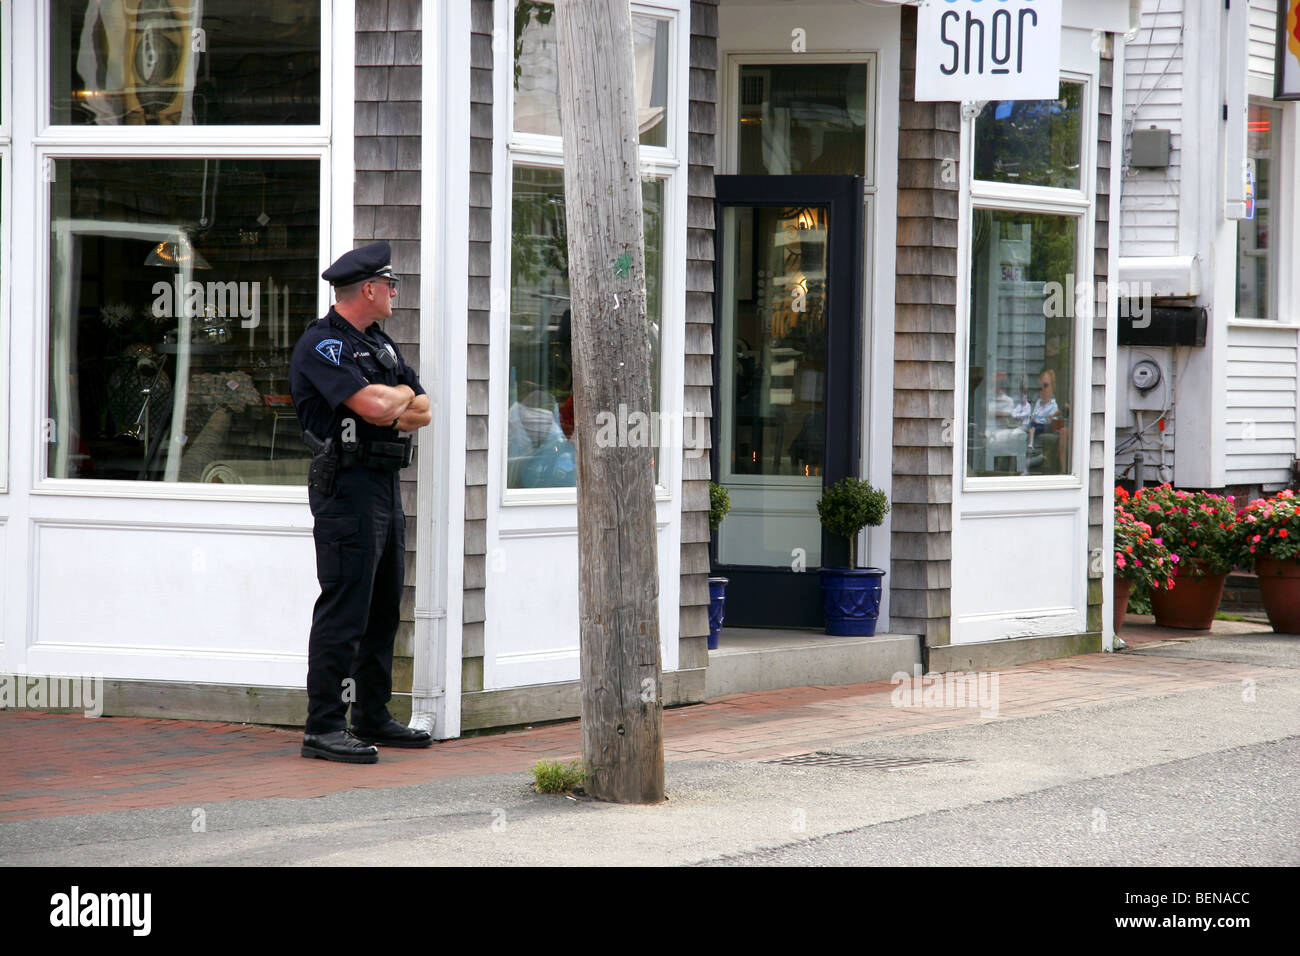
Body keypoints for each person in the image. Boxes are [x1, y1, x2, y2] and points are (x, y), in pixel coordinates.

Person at [289, 241, 433, 763]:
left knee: (382, 609)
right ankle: (324, 726)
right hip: (345, 488)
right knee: (344, 609)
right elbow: (376, 404)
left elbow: (422, 408)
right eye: (390, 284)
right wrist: (386, 398)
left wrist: (385, 400)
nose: (396, 292)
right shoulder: (324, 345)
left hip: (384, 485)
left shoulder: (379, 345)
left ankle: (371, 713)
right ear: (368, 289)